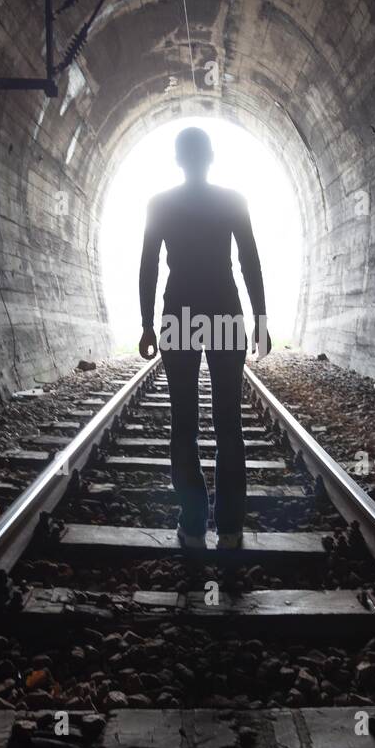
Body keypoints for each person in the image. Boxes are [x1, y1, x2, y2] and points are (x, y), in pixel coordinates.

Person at [138, 127, 271, 551]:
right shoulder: (232, 200)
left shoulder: (160, 203)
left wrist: (146, 324)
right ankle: (230, 530)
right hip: (225, 311)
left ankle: (193, 527)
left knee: (183, 424)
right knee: (229, 424)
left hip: (180, 313)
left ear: (178, 160)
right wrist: (261, 320)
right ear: (211, 157)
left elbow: (148, 267)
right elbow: (250, 260)